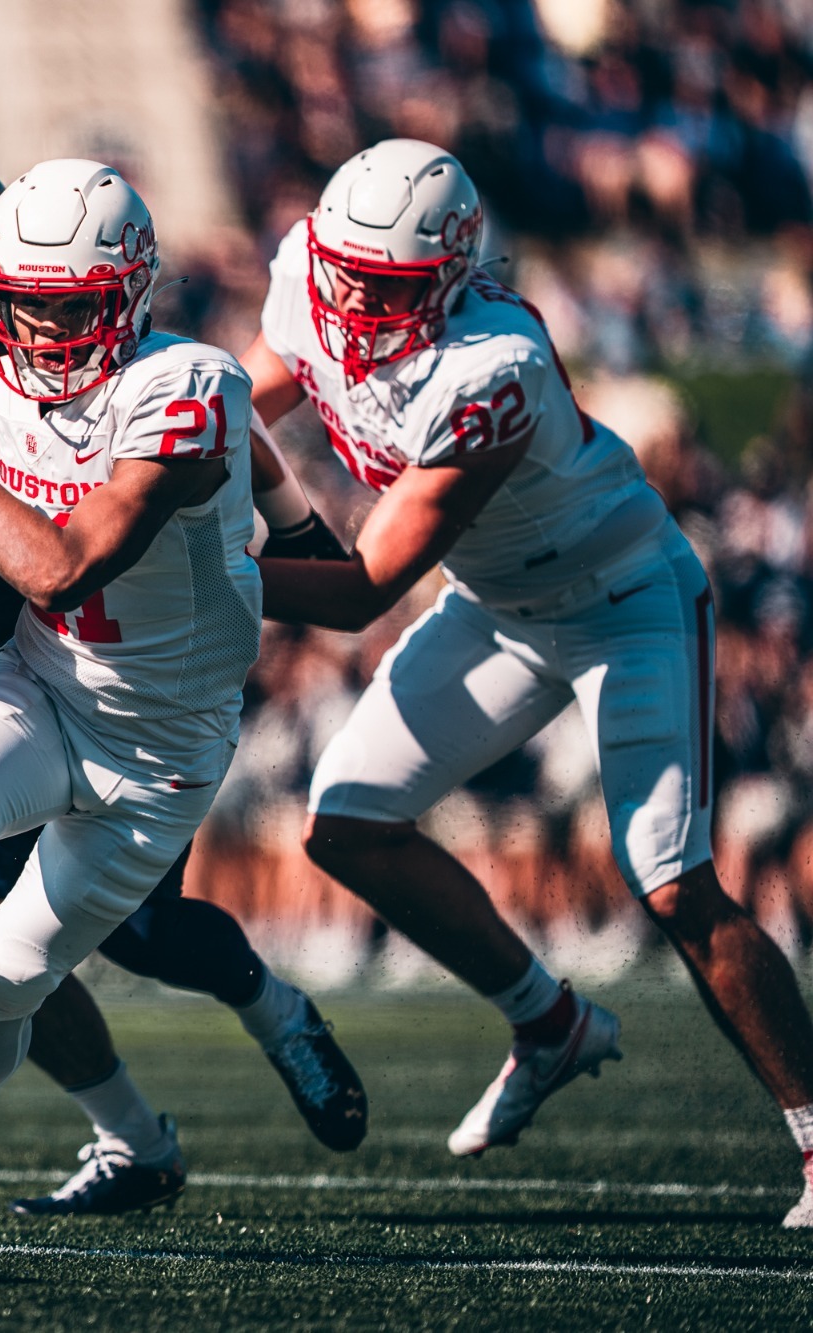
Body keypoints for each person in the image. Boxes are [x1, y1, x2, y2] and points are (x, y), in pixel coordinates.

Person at [0, 151, 365, 1219]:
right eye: (18, 304)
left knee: (107, 947)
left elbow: (57, 557)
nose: (43, 332)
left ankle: (266, 1014)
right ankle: (91, 1112)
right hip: (28, 665)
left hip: (153, 730)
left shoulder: (182, 383)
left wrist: (289, 537)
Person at [245, 138, 813, 1224]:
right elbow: (243, 405)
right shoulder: (306, 273)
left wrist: (199, 572)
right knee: (345, 823)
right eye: (344, 271)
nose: (355, 298)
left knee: (670, 880)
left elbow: (365, 586)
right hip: (497, 609)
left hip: (622, 600)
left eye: (389, 283)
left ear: (451, 275)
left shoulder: (490, 362)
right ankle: (546, 1023)